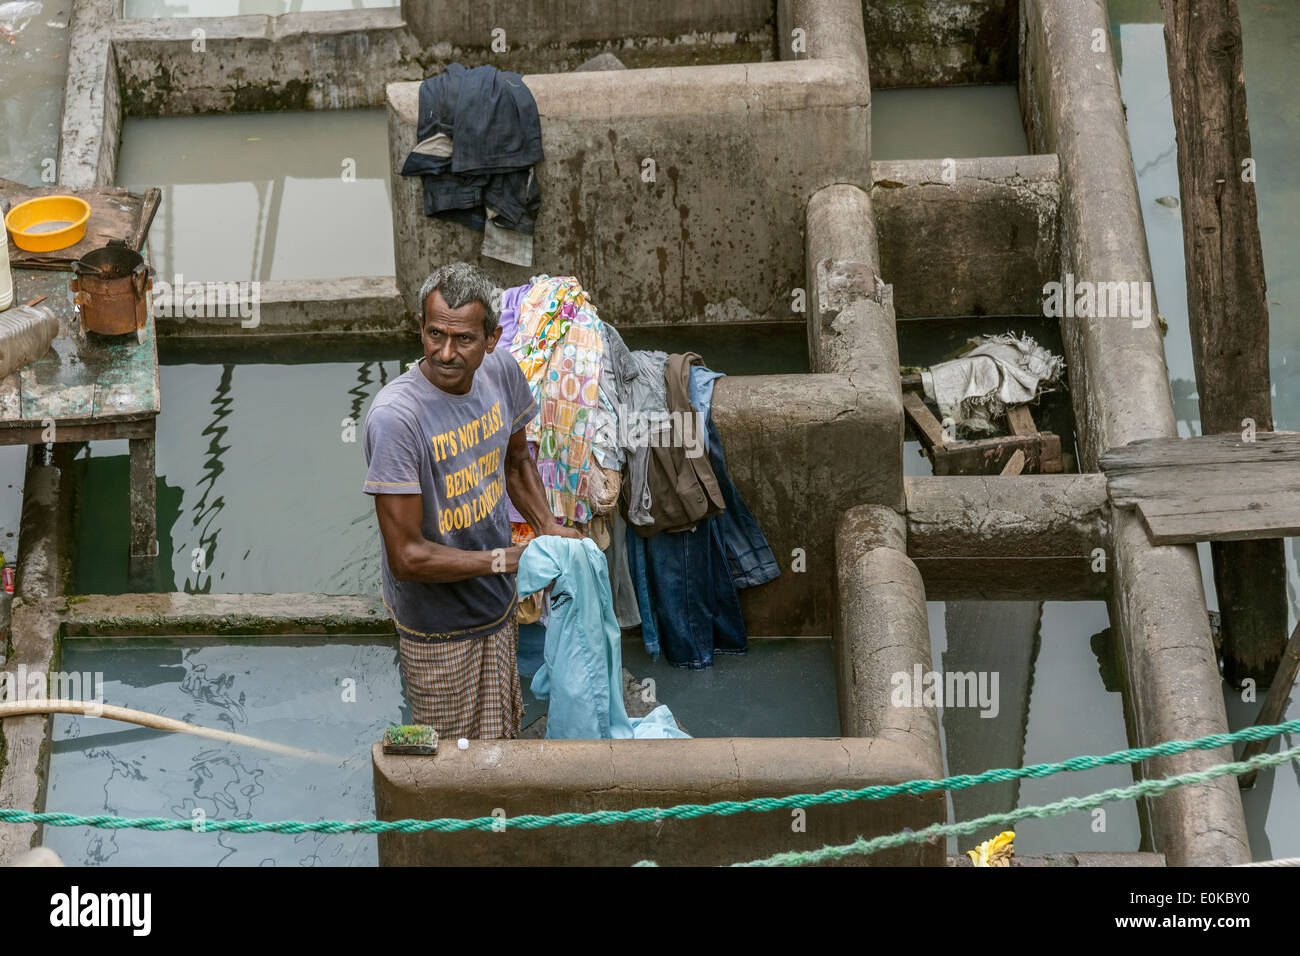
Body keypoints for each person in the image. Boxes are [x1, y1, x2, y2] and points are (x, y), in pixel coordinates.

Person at [362, 262, 579, 739]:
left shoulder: (501, 373)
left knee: (498, 738)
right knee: (449, 765)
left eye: (463, 339)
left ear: (493, 338)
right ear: (420, 327)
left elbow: (518, 461)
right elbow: (406, 557)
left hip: (497, 607)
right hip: (435, 628)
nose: (445, 353)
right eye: (434, 334)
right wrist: (504, 561)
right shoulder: (397, 419)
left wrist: (547, 524)